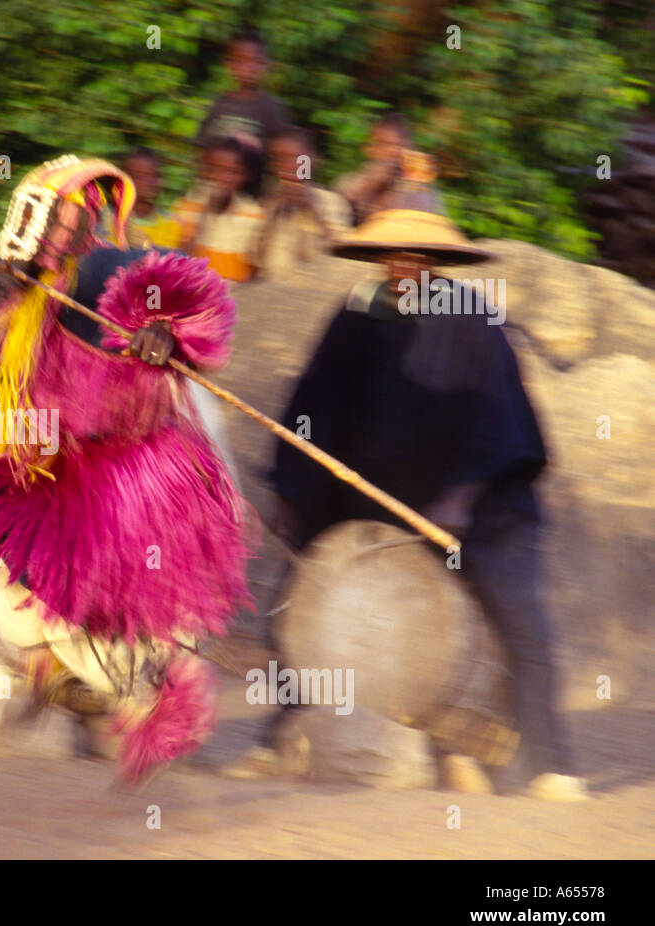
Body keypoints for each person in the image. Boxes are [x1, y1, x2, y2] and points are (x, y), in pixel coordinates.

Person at [0, 155, 254, 781]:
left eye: (79, 220)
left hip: (111, 444)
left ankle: (137, 691)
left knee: (100, 580)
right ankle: (41, 665)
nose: (65, 233)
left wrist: (168, 337)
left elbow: (198, 316)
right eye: (56, 219)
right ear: (25, 218)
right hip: (15, 437)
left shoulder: (116, 271)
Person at [243, 204, 587, 802]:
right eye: (394, 255)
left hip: (482, 501)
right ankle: (282, 735)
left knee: (520, 621)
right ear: (379, 259)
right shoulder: (356, 313)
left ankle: (548, 763)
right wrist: (292, 491)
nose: (405, 266)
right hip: (376, 493)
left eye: (419, 257)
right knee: (298, 603)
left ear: (440, 263)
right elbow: (314, 406)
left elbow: (500, 421)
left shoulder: (474, 320)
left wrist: (461, 495)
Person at [195, 28, 291, 199]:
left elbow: (282, 155)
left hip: (252, 196)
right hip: (214, 194)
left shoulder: (271, 107)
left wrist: (256, 147)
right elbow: (203, 149)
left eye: (254, 62)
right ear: (228, 63)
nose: (248, 68)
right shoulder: (219, 103)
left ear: (265, 65)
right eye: (240, 61)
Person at [252, 126, 352, 281]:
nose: (287, 165)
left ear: (312, 160)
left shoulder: (332, 202)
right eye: (278, 158)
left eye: (296, 158)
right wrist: (273, 213)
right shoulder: (268, 201)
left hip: (312, 290)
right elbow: (255, 255)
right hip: (271, 288)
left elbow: (344, 249)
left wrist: (312, 207)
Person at [165, 137, 266, 283]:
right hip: (195, 290)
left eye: (233, 172)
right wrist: (206, 212)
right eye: (215, 169)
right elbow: (179, 257)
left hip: (236, 292)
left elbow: (254, 267)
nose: (223, 178)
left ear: (245, 176)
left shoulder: (253, 214)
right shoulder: (187, 206)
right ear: (204, 170)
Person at [333, 112, 443, 225]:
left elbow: (425, 222)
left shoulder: (419, 184)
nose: (393, 152)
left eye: (399, 145)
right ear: (371, 149)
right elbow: (336, 205)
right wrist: (368, 184)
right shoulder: (356, 180)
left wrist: (410, 185)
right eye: (384, 144)